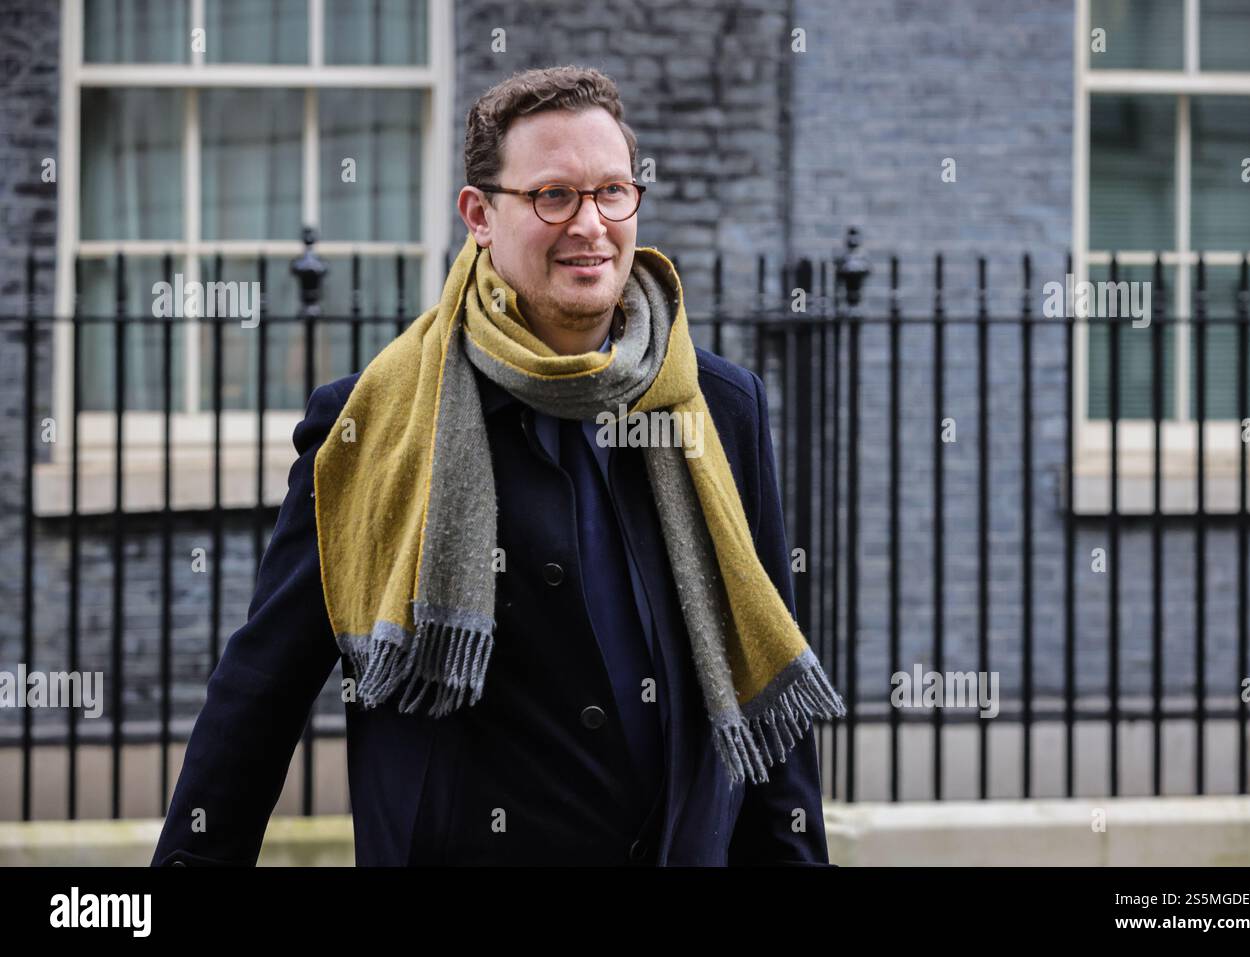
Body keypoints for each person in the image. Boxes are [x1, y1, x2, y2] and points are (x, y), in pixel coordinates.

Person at [152, 64, 844, 867]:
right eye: (554, 196)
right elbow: (259, 695)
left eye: (612, 191)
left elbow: (765, 699)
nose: (591, 224)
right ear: (479, 214)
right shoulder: (372, 421)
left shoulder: (719, 405)